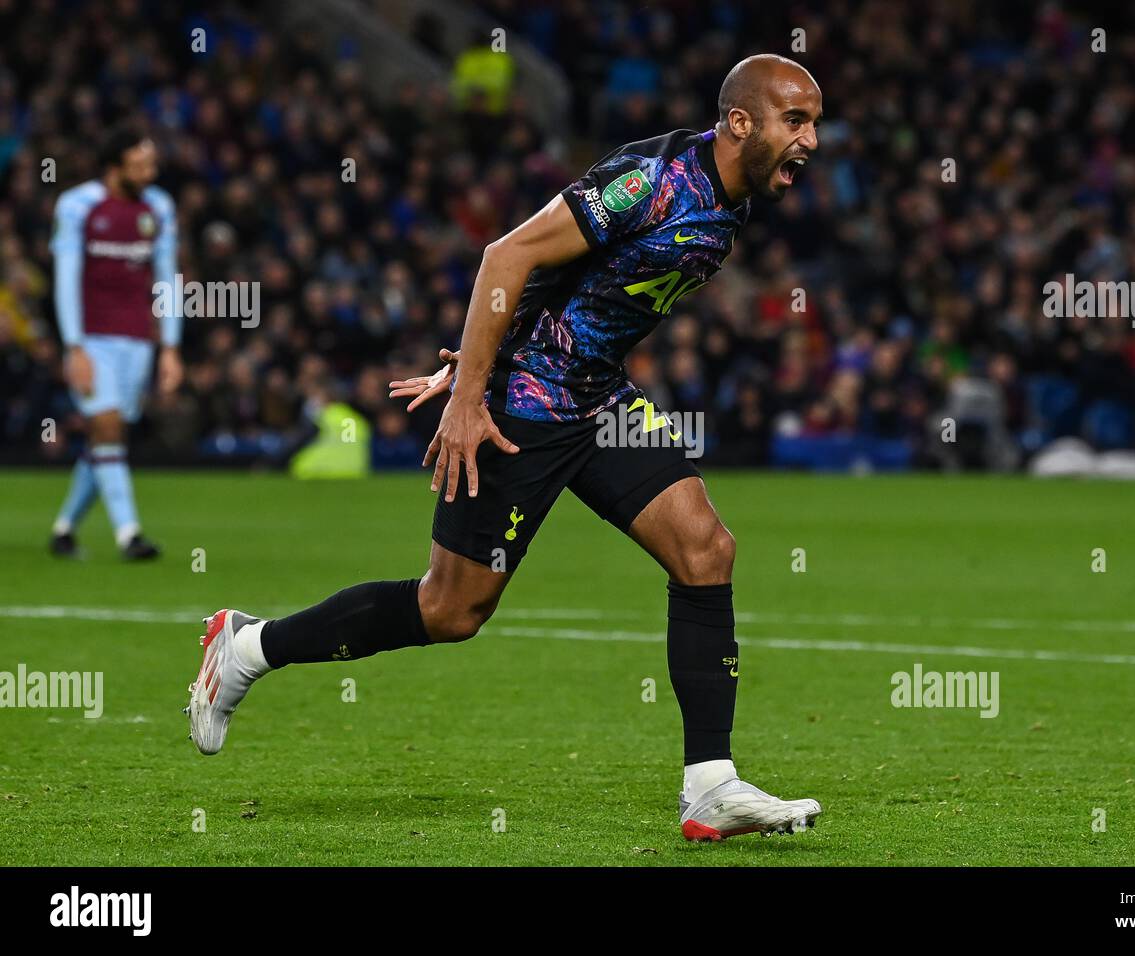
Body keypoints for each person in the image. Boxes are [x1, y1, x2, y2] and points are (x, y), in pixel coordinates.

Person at [188, 55, 824, 841]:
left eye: (815, 123)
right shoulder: (650, 182)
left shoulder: (736, 200)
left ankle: (711, 787)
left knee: (705, 550)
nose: (812, 140)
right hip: (519, 410)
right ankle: (247, 648)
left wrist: (485, 353)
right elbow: (506, 256)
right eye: (796, 121)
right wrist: (468, 394)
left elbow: (567, 284)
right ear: (739, 123)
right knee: (451, 611)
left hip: (596, 399)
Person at [49, 127, 181, 559]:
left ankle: (64, 528)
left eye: (152, 164)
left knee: (109, 437)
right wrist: (74, 347)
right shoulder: (77, 205)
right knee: (106, 426)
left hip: (137, 340)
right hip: (91, 338)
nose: (150, 172)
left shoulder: (158, 206)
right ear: (114, 167)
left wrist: (171, 348)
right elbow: (66, 278)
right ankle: (130, 535)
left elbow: (166, 278)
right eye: (140, 164)